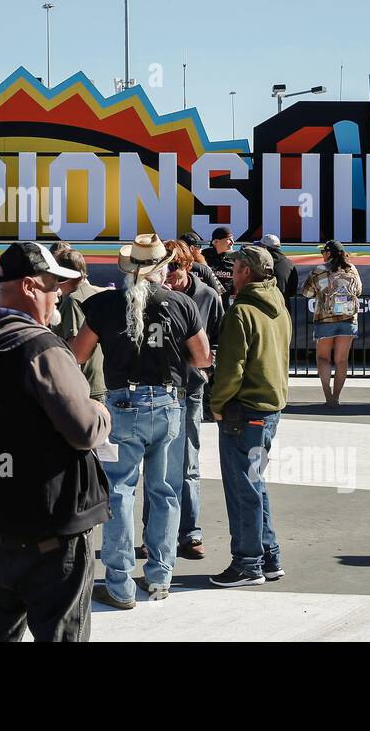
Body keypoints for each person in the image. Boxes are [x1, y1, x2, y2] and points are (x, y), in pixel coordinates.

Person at [0, 241, 111, 641]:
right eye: (51, 284)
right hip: (50, 524)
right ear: (29, 287)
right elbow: (84, 430)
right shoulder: (40, 346)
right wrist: (102, 412)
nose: (58, 292)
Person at [70, 233, 211, 607]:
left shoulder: (103, 305)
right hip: (168, 403)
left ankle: (120, 585)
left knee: (119, 491)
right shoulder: (181, 304)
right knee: (165, 491)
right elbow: (202, 357)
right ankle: (160, 578)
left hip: (122, 405)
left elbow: (77, 355)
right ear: (160, 270)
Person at [207, 245, 290, 588]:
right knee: (255, 486)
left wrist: (216, 403)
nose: (232, 271)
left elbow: (231, 368)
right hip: (269, 407)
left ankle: (247, 563)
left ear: (245, 272)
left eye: (236, 265)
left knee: (244, 489)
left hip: (244, 410)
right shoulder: (277, 306)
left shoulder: (241, 311)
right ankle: (268, 558)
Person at [151, 239, 224, 561]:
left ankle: (190, 533)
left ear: (186, 267)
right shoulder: (152, 296)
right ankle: (153, 533)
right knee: (155, 466)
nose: (166, 278)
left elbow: (220, 341)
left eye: (172, 272)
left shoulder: (208, 297)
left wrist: (211, 383)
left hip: (190, 390)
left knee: (188, 465)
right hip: (156, 389)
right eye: (161, 271)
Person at [301, 239, 362, 406]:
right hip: (349, 319)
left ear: (328, 253)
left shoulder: (320, 270)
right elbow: (358, 291)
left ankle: (328, 395)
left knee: (323, 358)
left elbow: (306, 292)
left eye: (323, 252)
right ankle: (337, 397)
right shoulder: (352, 269)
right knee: (342, 360)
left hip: (325, 319)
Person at [54, 248, 107, 405]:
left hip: (84, 387)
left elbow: (73, 347)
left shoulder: (73, 301)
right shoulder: (93, 294)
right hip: (99, 382)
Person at [257, 234, 299, 300]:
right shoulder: (289, 264)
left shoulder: (259, 263)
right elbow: (292, 291)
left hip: (263, 306)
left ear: (264, 247)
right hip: (283, 307)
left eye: (259, 246)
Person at [202, 227, 236, 304]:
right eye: (229, 239)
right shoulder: (204, 256)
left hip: (226, 303)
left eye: (233, 239)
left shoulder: (235, 258)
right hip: (208, 302)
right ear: (216, 242)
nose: (232, 242)